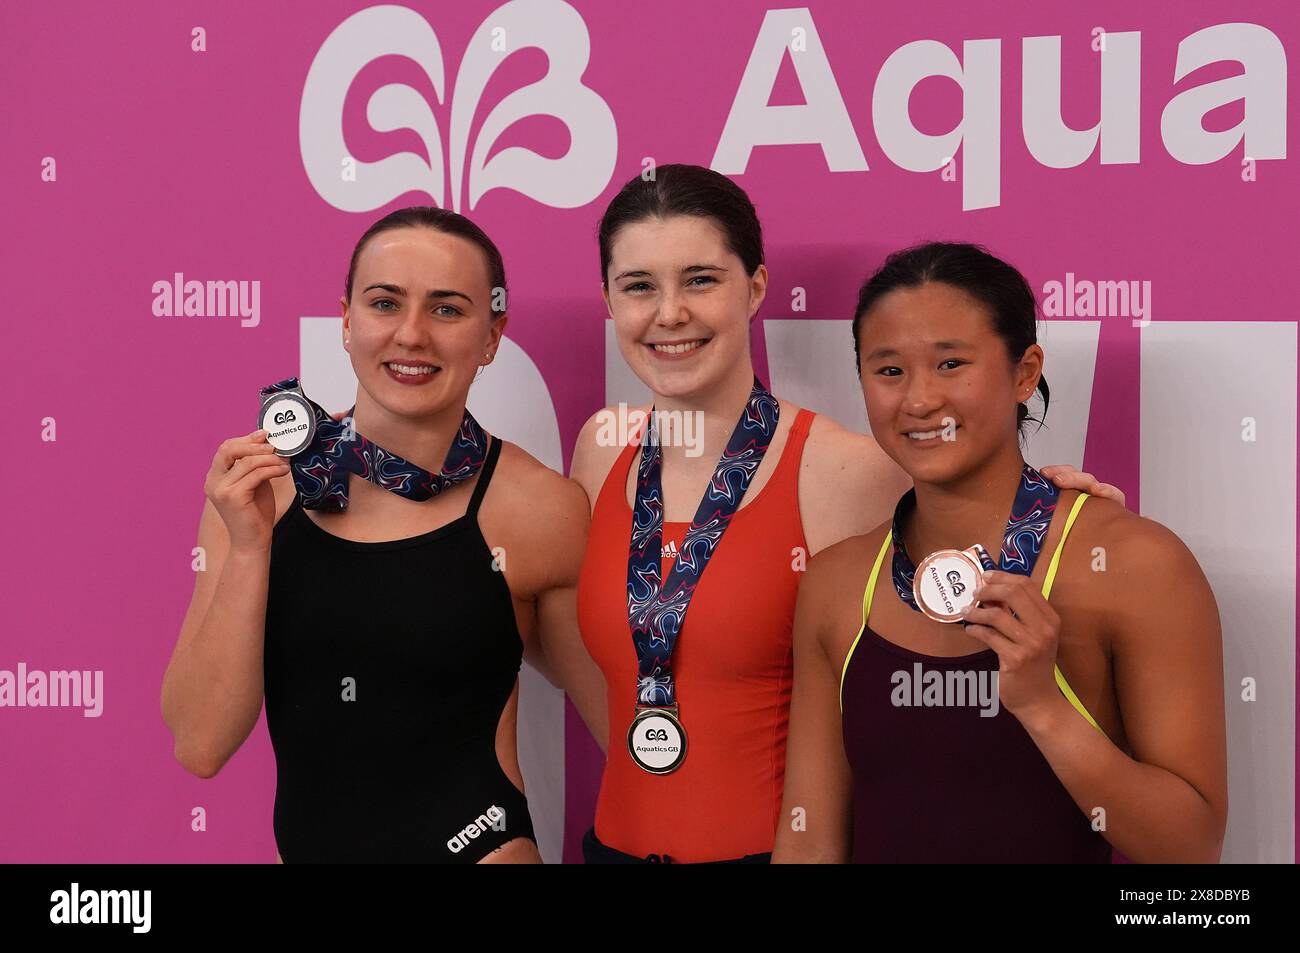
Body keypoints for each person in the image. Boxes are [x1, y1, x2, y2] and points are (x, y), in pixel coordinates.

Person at [569, 167, 1122, 863]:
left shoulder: (843, 467)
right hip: (611, 850)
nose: (669, 313)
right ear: (608, 301)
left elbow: (948, 615)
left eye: (701, 279)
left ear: (757, 288)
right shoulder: (601, 446)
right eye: (639, 285)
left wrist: (1050, 508)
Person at [162, 207, 604, 863]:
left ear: (492, 334)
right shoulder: (260, 489)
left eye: (448, 309)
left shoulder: (539, 509)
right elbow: (200, 743)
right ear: (346, 319)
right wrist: (253, 548)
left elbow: (618, 717)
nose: (411, 333)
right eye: (384, 302)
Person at [773, 242, 1228, 863]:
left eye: (951, 363)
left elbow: (1190, 850)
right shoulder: (835, 581)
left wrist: (1044, 704)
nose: (918, 400)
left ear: (1024, 371)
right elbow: (807, 843)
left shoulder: (1137, 565)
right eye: (888, 371)